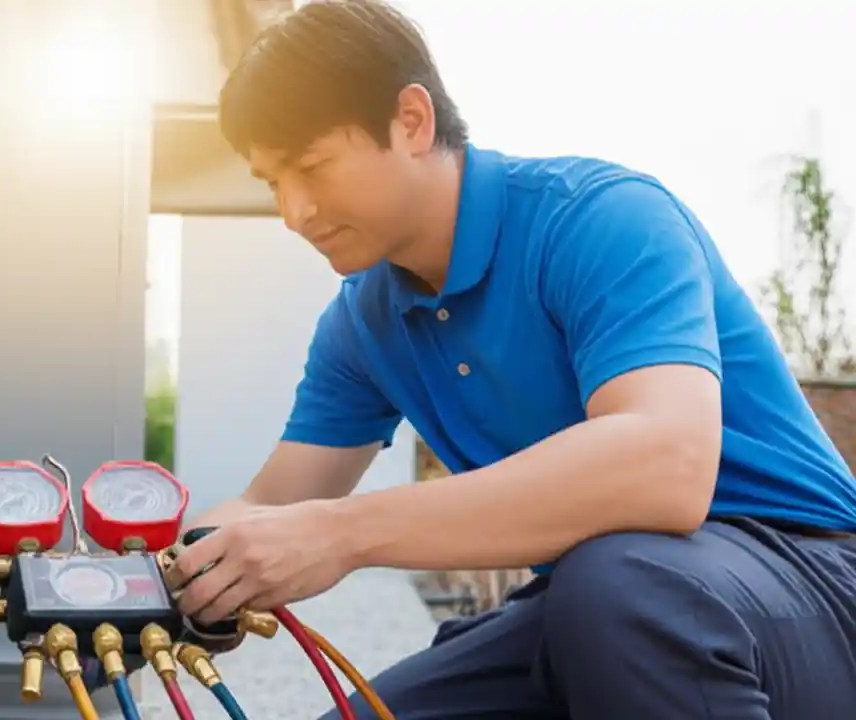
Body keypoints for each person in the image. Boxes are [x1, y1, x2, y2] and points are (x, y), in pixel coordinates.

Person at [161, 1, 856, 718]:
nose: (294, 212)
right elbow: (274, 505)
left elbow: (666, 470)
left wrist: (344, 535)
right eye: (272, 182)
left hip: (805, 586)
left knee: (619, 588)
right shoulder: (363, 320)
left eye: (312, 167)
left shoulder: (599, 218)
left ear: (410, 121)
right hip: (596, 604)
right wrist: (164, 572)